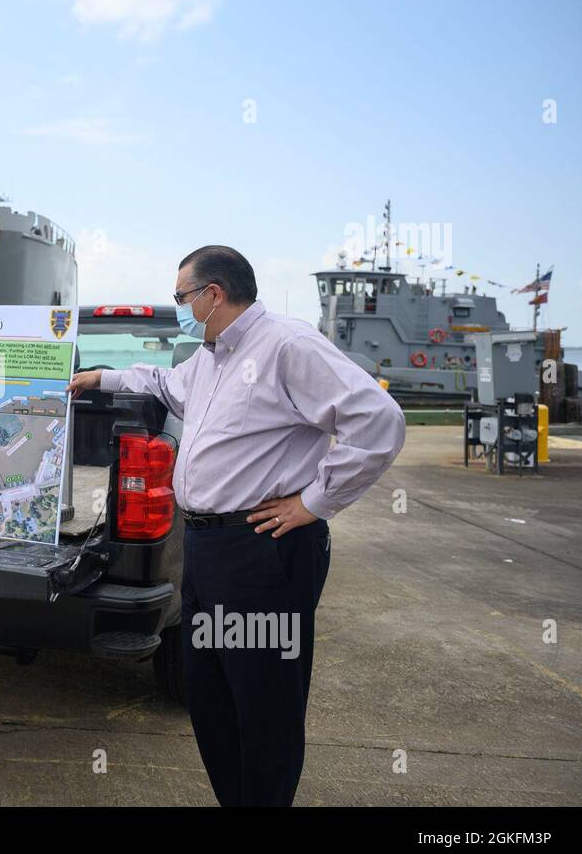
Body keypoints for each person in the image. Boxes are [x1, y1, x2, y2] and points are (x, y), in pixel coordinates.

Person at [68, 245, 405, 806]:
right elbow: (159, 380)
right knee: (211, 694)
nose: (180, 307)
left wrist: (314, 503)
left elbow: (378, 421)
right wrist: (100, 376)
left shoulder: (287, 346)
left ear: (213, 295)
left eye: (182, 297)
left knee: (264, 701)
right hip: (206, 550)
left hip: (261, 553)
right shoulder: (209, 359)